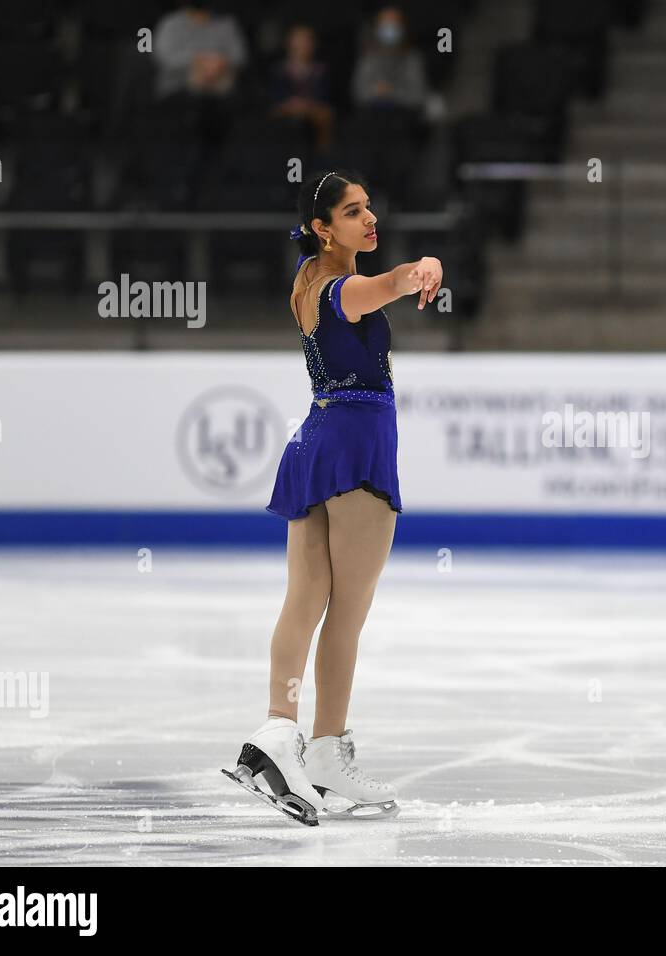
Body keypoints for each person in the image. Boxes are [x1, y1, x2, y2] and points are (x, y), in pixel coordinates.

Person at [222, 170, 442, 826]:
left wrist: (408, 273)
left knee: (303, 601)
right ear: (324, 228)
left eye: (369, 207)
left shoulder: (307, 283)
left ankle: (276, 732)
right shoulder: (342, 288)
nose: (368, 218)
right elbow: (385, 285)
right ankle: (326, 752)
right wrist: (422, 267)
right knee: (344, 615)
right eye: (353, 212)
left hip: (315, 439)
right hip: (358, 450)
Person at [269, 24, 335, 150]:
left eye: (307, 40)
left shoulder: (321, 70)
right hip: (286, 108)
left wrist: (306, 105)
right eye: (298, 40)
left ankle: (324, 155)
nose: (303, 45)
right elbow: (276, 97)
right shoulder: (279, 70)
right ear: (289, 43)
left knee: (326, 115)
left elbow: (324, 97)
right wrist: (292, 105)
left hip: (313, 109)